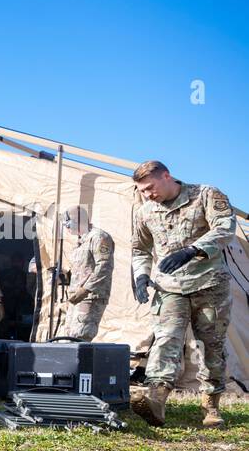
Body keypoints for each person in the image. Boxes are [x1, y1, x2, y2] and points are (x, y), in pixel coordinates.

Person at [130, 160, 237, 428]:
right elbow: (140, 249)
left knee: (209, 345)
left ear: (167, 176)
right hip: (169, 287)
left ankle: (211, 406)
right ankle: (156, 400)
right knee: (166, 339)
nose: (147, 194)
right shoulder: (145, 211)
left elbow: (225, 228)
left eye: (150, 188)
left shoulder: (205, 195)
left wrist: (193, 250)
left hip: (209, 284)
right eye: (142, 191)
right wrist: (141, 275)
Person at [60, 204, 115, 341]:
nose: (66, 227)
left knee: (80, 336)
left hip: (91, 297)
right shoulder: (81, 241)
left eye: (68, 223)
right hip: (77, 297)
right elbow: (84, 269)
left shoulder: (99, 237)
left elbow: (104, 266)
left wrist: (85, 289)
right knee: (68, 337)